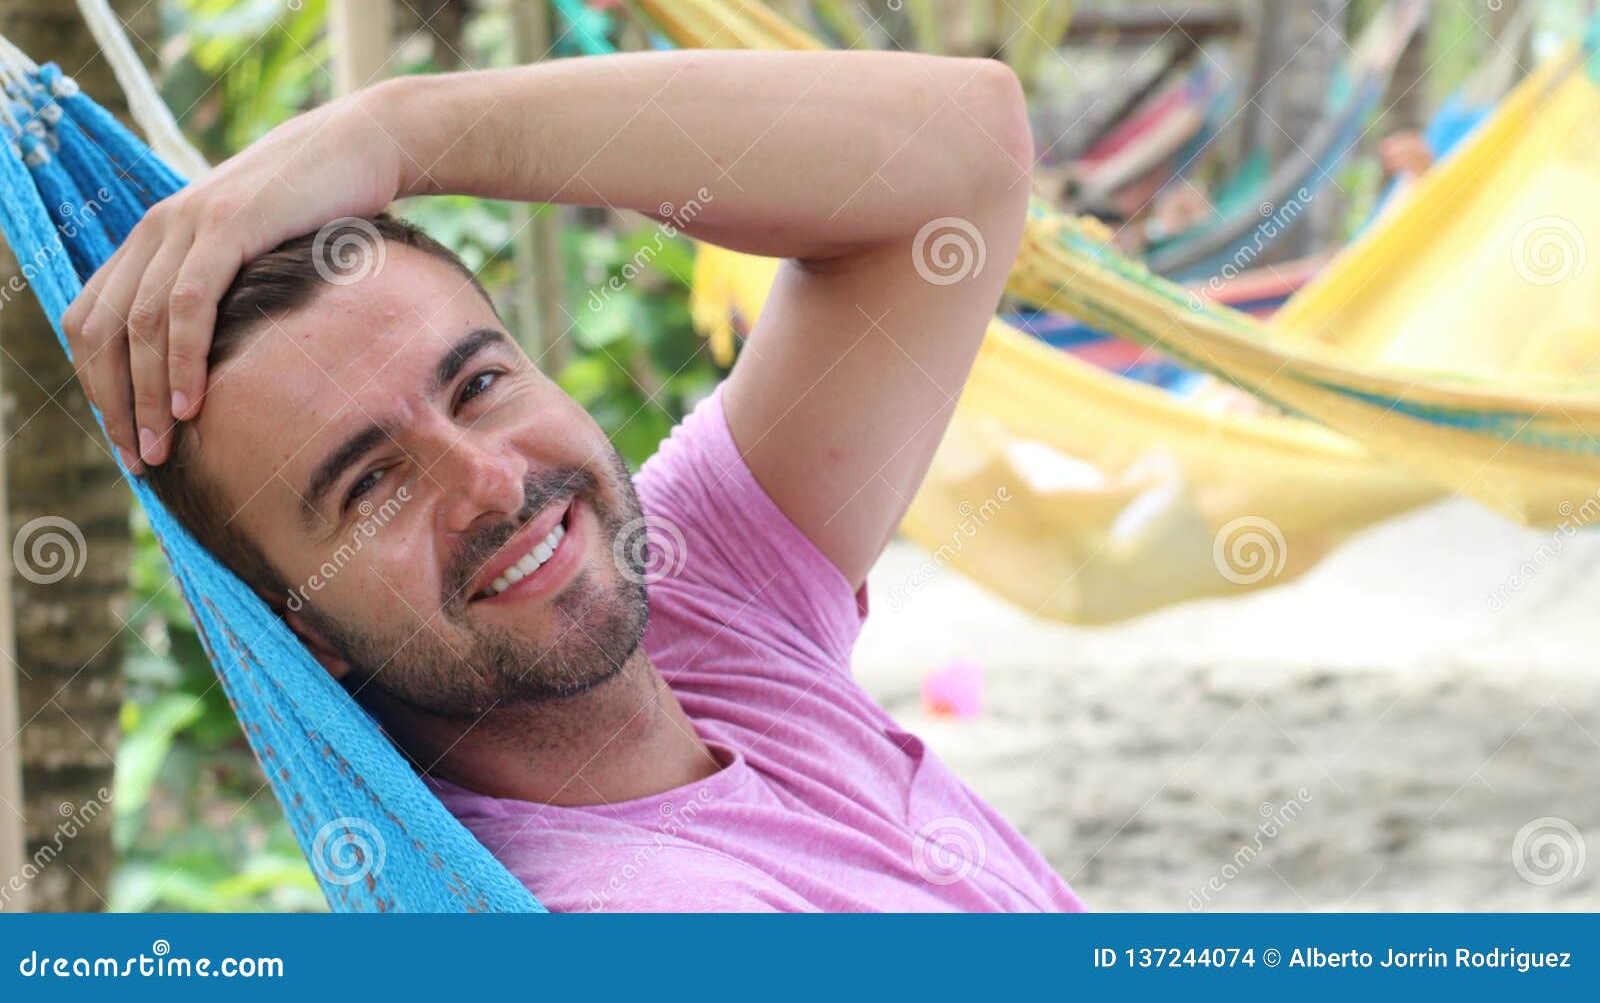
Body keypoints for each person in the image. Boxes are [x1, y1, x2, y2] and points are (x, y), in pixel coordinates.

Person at [61, 49, 1083, 912]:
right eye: (370, 484)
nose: (491, 482)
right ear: (300, 631)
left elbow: (961, 157)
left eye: (478, 386)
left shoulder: (707, 603)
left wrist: (401, 131)